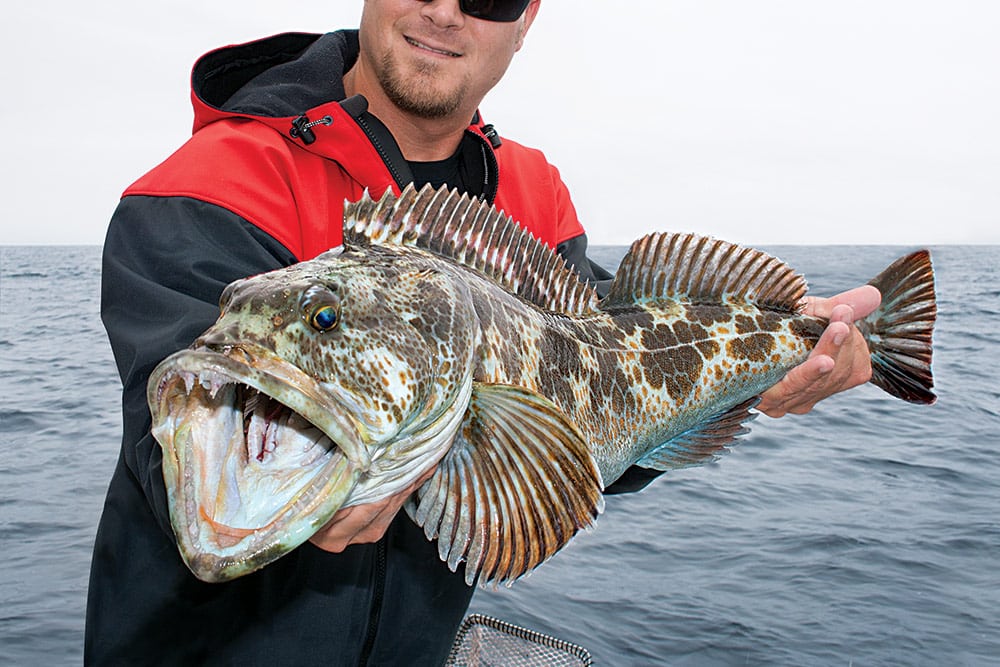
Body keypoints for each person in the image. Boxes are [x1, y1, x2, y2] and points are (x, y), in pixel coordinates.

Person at [85, 1, 878, 664]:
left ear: (525, 19)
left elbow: (594, 431)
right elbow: (184, 444)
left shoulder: (534, 197)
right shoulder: (212, 184)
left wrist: (785, 369)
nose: (443, 9)